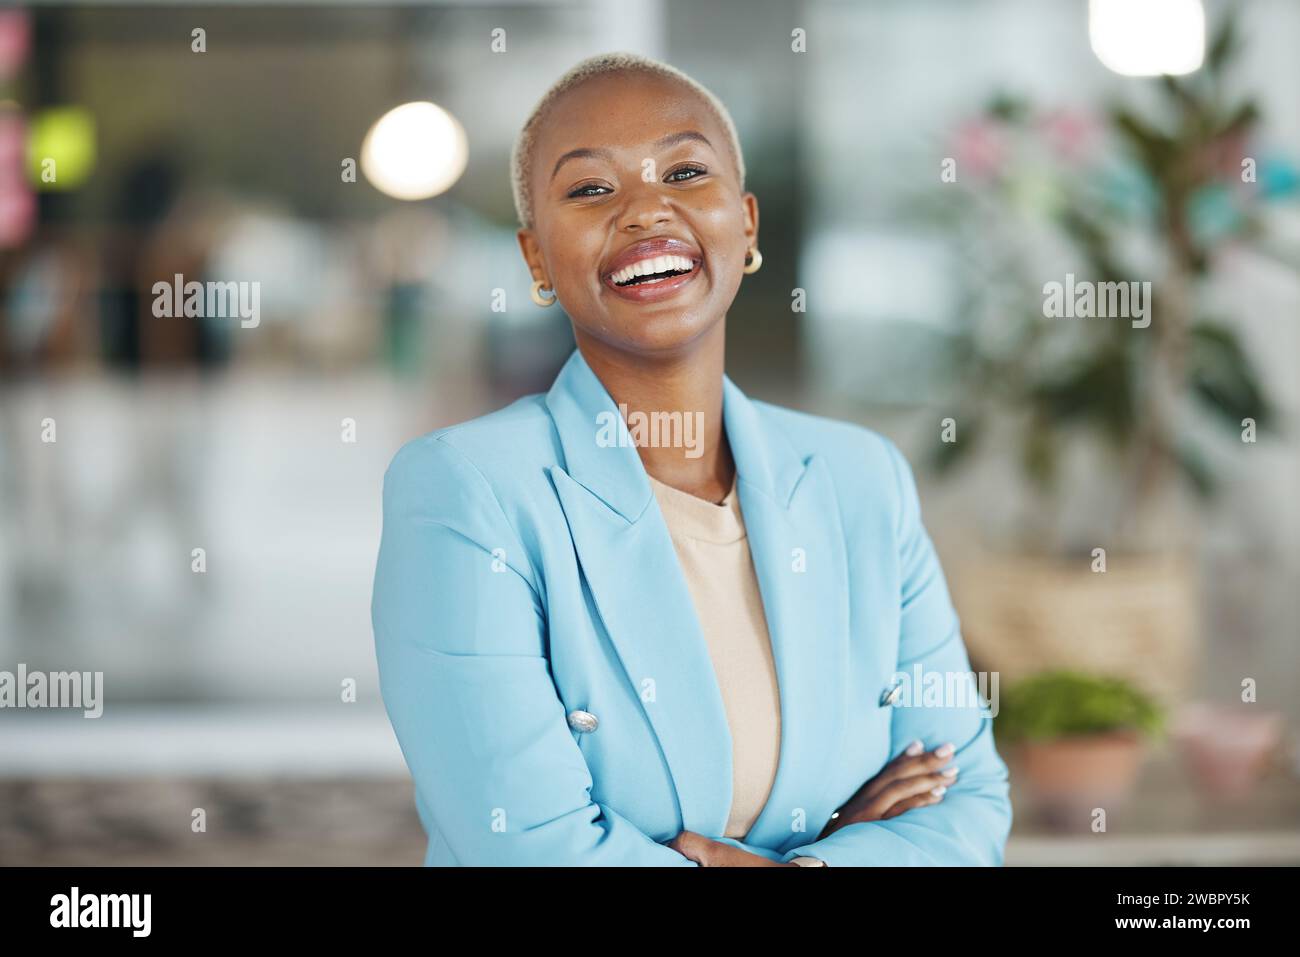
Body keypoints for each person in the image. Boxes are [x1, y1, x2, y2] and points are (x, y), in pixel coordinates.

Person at [371, 52, 1012, 866]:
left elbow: (966, 806)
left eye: (683, 170)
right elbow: (533, 851)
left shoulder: (863, 482)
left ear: (745, 223)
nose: (646, 210)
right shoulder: (467, 494)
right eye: (591, 188)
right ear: (535, 260)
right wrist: (837, 846)